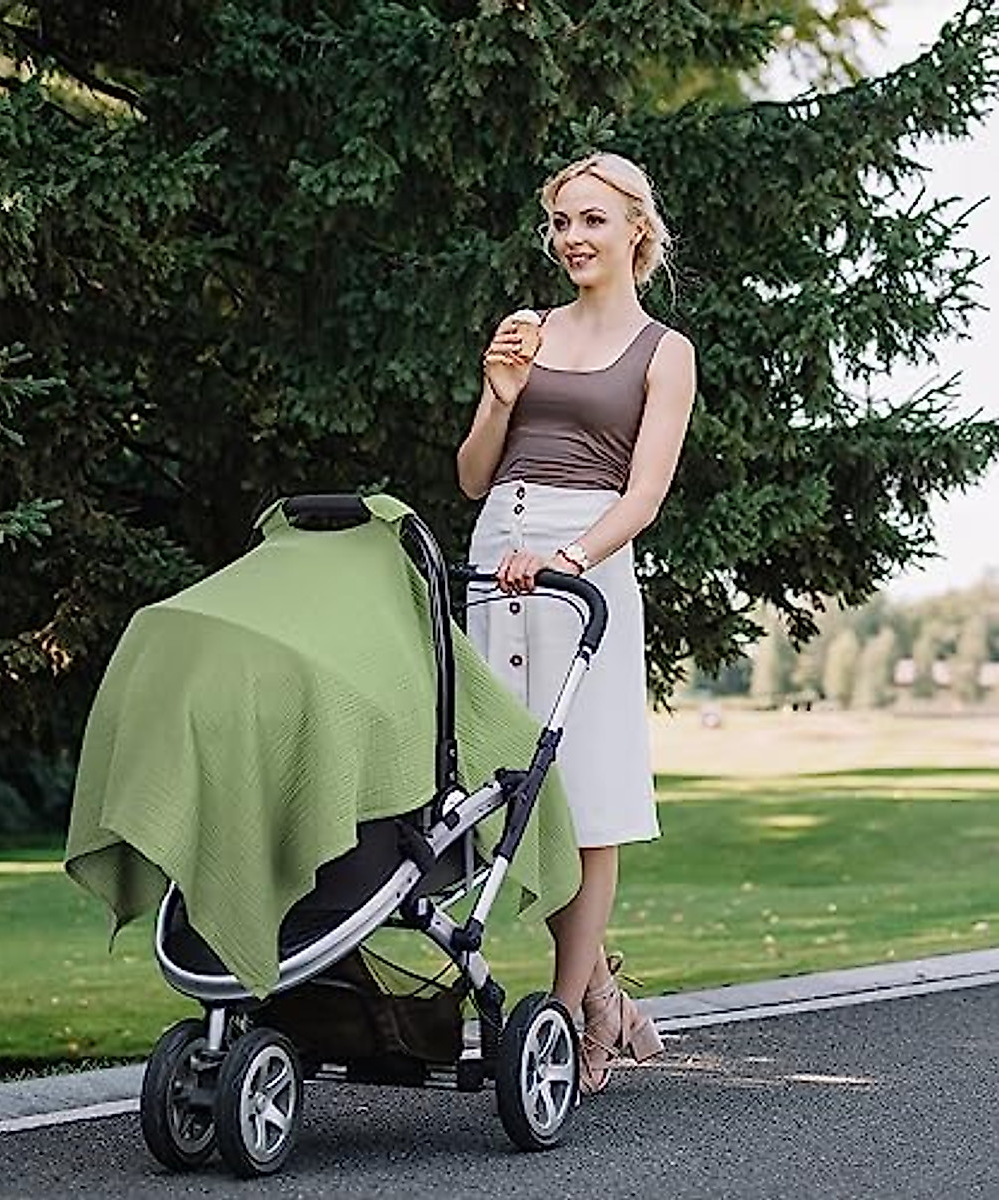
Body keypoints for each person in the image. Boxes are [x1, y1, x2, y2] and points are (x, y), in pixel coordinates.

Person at [456, 151, 696, 1094]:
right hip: (497, 551)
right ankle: (602, 991)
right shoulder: (529, 329)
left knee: (585, 799)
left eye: (592, 220)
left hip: (583, 565)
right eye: (561, 222)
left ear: (637, 228)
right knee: (510, 786)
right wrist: (499, 395)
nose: (572, 238)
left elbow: (645, 495)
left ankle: (568, 1012)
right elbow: (473, 475)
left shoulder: (664, 352)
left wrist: (571, 557)